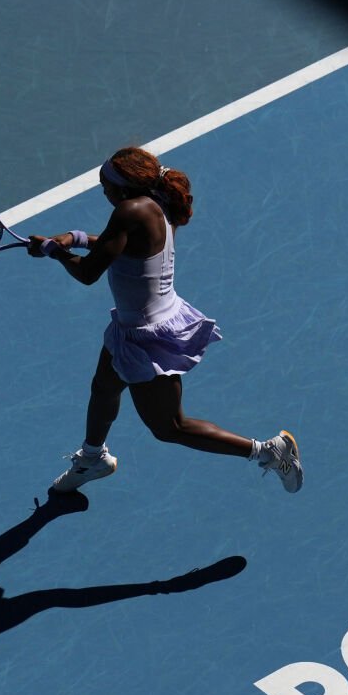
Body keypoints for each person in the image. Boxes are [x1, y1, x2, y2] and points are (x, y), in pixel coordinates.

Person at [26, 146, 302, 494]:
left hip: (146, 337)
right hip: (138, 325)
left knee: (170, 427)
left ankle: (268, 452)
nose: (103, 191)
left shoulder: (129, 210)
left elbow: (89, 273)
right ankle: (93, 458)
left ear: (123, 189)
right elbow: (119, 246)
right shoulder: (152, 203)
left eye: (104, 185)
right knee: (105, 387)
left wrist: (53, 251)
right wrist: (76, 238)